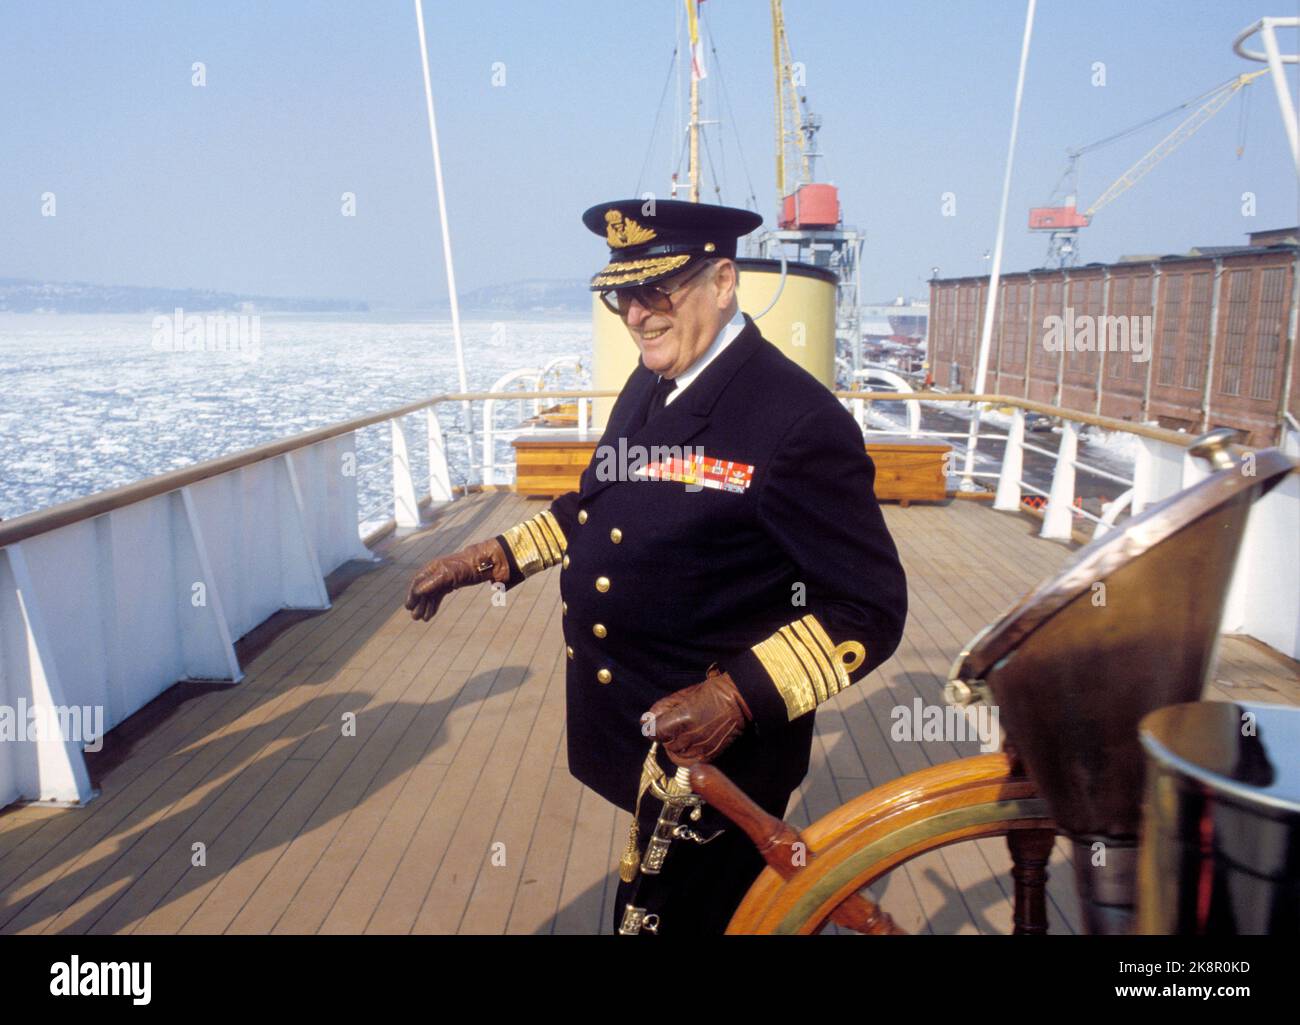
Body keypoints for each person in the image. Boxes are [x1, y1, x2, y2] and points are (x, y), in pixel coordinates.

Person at [405, 198, 908, 935]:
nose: (637, 315)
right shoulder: (654, 383)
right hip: (642, 739)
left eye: (657, 291)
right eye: (622, 296)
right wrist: (493, 556)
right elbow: (596, 507)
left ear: (724, 281)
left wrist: (736, 695)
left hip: (725, 763)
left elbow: (869, 608)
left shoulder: (796, 423)